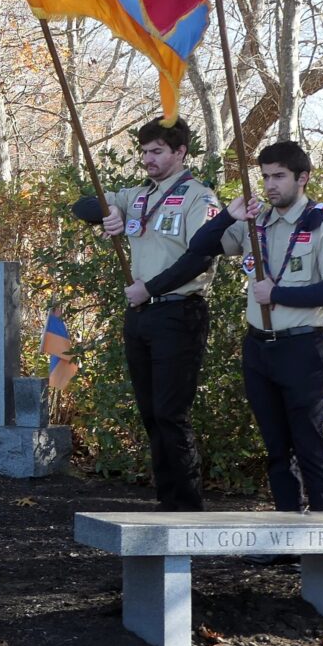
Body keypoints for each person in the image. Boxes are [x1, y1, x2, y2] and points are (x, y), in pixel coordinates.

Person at [181, 140, 323, 515]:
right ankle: (286, 534)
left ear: (302, 178)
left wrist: (278, 293)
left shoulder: (322, 223)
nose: (270, 184)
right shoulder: (254, 222)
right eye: (265, 177)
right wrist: (229, 214)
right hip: (259, 347)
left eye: (279, 176)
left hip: (303, 347)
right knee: (276, 448)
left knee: (309, 444)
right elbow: (200, 246)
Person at [69, 116, 225, 511]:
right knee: (151, 412)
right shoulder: (137, 195)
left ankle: (187, 509)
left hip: (179, 312)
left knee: (172, 414)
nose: (148, 159)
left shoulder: (198, 198)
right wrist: (107, 215)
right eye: (143, 152)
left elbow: (201, 257)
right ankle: (165, 501)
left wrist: (151, 288)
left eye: (156, 151)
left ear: (180, 152)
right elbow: (82, 204)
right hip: (140, 316)